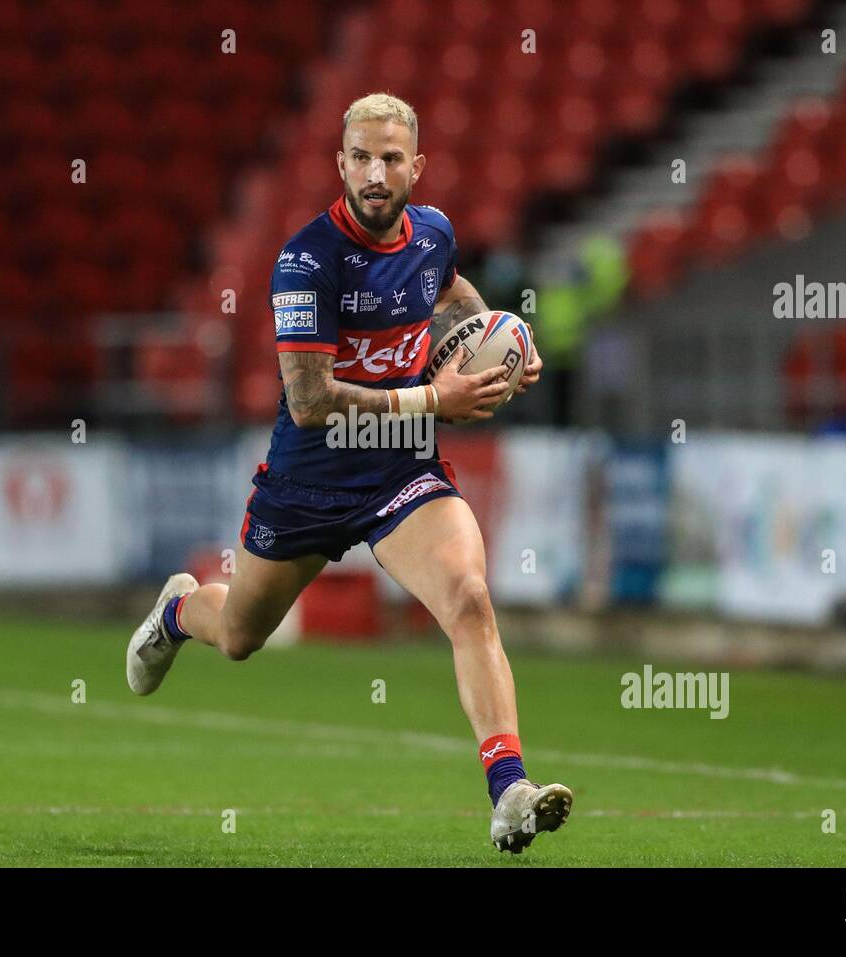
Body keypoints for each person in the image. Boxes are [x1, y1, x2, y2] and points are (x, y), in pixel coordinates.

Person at [126, 93, 572, 853]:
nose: (375, 172)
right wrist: (439, 395)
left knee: (468, 597)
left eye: (391, 158)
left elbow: (451, 290)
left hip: (400, 472)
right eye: (361, 157)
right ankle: (176, 613)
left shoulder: (431, 235)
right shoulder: (307, 261)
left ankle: (509, 792)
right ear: (340, 164)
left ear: (416, 167)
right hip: (307, 482)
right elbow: (308, 402)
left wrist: (502, 338)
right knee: (238, 636)